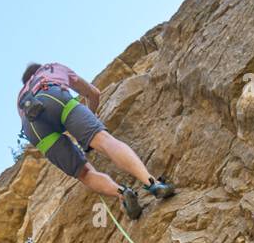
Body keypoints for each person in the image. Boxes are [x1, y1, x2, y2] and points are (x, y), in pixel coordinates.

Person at [17, 62, 174, 219]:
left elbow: (45, 118)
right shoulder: (52, 68)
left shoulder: (21, 95)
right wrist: (88, 120)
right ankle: (153, 184)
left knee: (84, 173)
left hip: (32, 126)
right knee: (105, 142)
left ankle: (121, 192)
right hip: (52, 94)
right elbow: (93, 93)